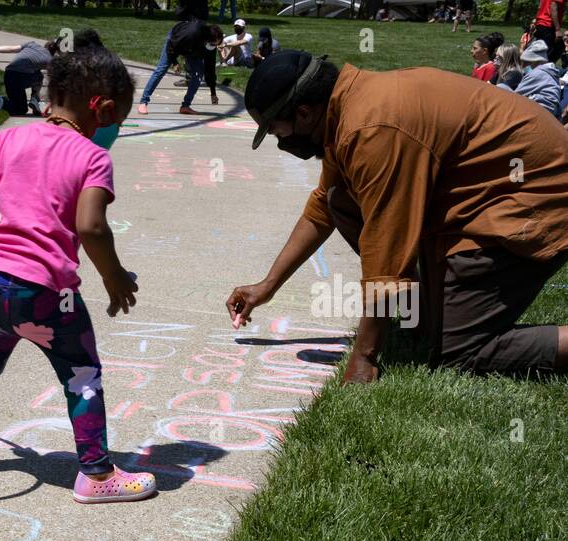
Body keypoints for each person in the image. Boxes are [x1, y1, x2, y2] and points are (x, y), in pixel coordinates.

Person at [229, 50, 568, 380]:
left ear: (303, 113)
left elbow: (386, 253)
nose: (280, 142)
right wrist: (267, 287)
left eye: (276, 131)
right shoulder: (346, 108)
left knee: (461, 352)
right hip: (484, 197)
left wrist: (364, 356)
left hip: (534, 197)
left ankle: (436, 322)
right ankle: (419, 314)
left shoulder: (371, 130)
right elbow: (323, 208)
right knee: (340, 199)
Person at [0, 49, 156, 504]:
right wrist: (115, 278)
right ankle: (95, 473)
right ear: (103, 109)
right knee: (82, 373)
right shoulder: (93, 157)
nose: (115, 130)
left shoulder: (12, 138)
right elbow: (91, 227)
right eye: (119, 120)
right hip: (49, 295)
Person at [0, 31, 102, 117]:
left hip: (9, 75)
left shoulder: (32, 44)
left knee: (19, 106)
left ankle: (1, 101)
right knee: (37, 79)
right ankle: (34, 99)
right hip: (18, 78)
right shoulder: (50, 60)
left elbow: (11, 48)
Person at [137, 20, 223, 116]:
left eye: (216, 45)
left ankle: (185, 106)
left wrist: (213, 93)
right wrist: (174, 62)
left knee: (198, 75)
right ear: (207, 39)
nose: (214, 47)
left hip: (193, 48)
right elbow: (172, 44)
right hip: (175, 41)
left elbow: (210, 68)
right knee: (161, 70)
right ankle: (143, 102)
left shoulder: (210, 46)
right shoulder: (191, 33)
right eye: (213, 44)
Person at [514, 40, 564, 112]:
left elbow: (516, 94)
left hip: (538, 111)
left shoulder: (536, 74)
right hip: (552, 112)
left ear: (535, 61)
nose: (525, 65)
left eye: (527, 62)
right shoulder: (552, 73)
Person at [530, 0, 564, 65]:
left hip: (541, 24)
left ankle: (545, 68)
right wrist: (557, 29)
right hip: (548, 25)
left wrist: (536, 21)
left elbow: (540, 6)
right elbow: (553, 7)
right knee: (547, 53)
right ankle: (544, 69)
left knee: (559, 46)